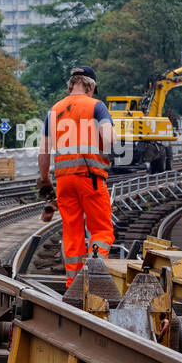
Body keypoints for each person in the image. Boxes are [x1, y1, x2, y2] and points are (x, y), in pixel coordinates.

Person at [38, 66, 115, 287]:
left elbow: (43, 152)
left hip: (63, 181)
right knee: (101, 230)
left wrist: (44, 180)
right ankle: (93, 274)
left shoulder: (53, 111)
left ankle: (73, 283)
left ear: (71, 85)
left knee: (72, 232)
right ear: (90, 86)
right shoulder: (97, 106)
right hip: (90, 177)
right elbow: (108, 139)